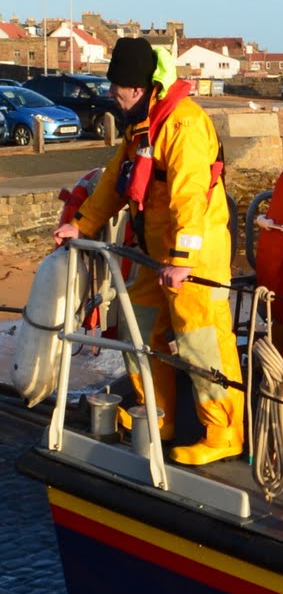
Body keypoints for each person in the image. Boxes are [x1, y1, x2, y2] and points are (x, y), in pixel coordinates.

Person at [53, 37, 243, 466]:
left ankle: (223, 431)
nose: (111, 98)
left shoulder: (184, 126)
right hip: (159, 256)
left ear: (137, 89)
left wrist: (182, 260)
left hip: (195, 257)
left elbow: (189, 198)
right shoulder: (142, 126)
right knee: (138, 327)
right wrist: (80, 224)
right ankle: (157, 417)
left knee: (201, 340)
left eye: (116, 90)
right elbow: (114, 185)